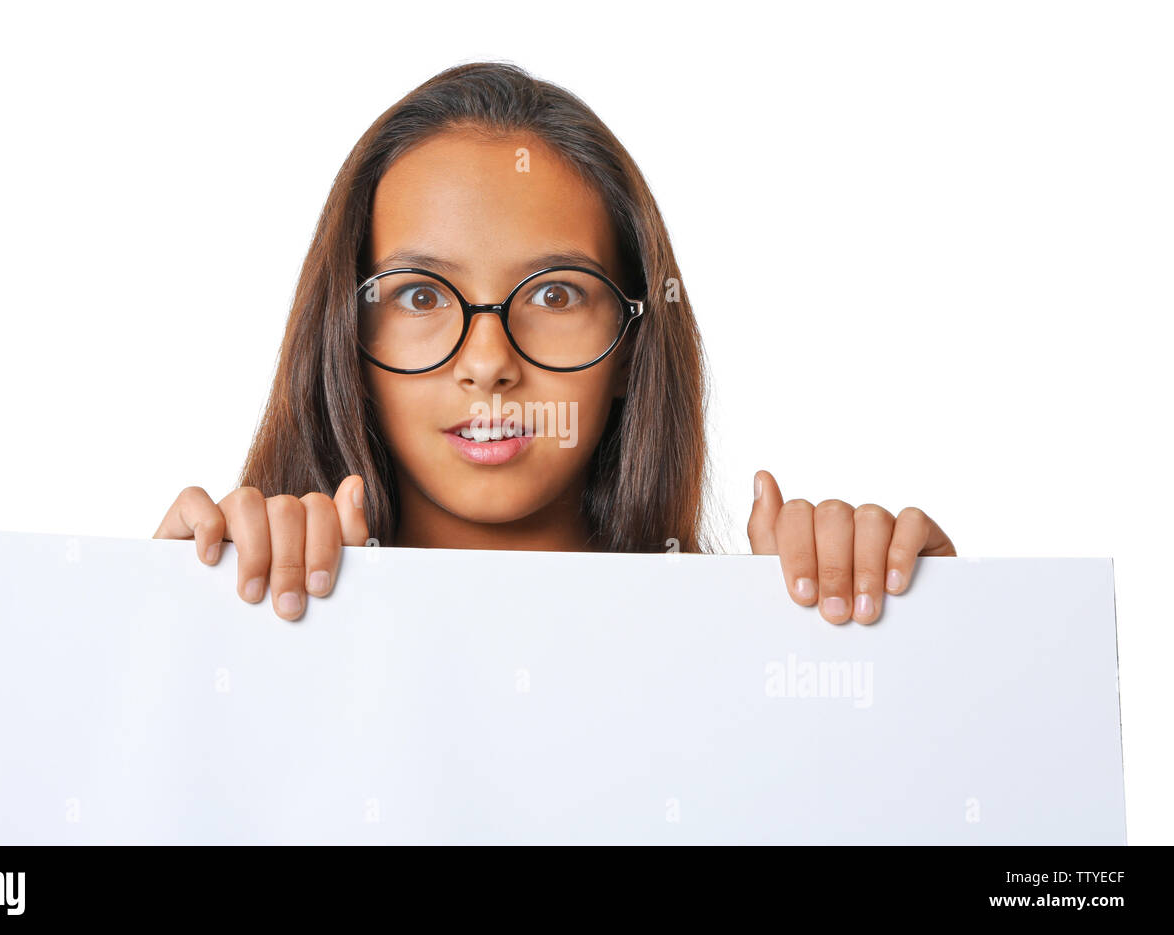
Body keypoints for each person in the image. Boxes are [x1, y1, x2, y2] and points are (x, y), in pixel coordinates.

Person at [154, 61, 955, 625]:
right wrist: (157, 622)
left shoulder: (757, 641)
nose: (489, 363)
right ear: (347, 345)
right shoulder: (234, 611)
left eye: (554, 293)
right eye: (421, 295)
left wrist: (938, 634)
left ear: (633, 346)